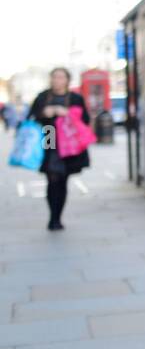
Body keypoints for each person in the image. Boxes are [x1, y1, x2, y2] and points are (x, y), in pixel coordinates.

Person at [26, 68, 89, 231]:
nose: (57, 80)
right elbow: (31, 117)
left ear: (67, 80)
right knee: (52, 177)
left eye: (61, 77)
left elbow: (85, 120)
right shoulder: (43, 96)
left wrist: (66, 113)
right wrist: (43, 113)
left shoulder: (75, 98)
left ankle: (57, 216)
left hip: (69, 142)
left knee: (63, 179)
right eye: (54, 77)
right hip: (49, 136)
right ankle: (53, 217)